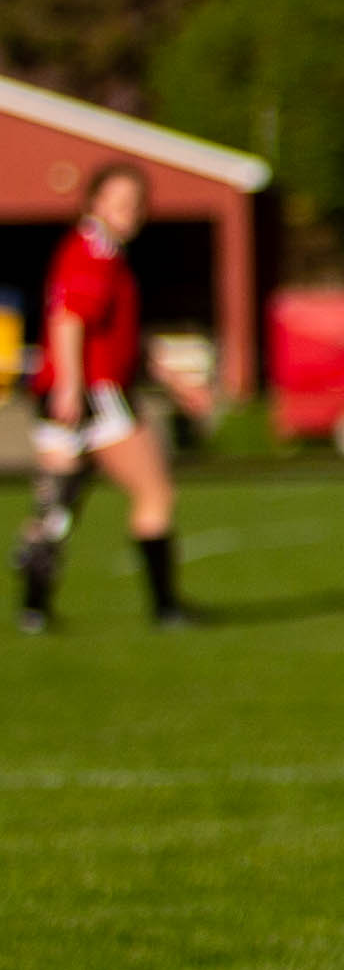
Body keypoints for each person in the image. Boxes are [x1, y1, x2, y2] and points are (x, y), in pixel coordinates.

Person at [17, 164, 216, 636]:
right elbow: (69, 318)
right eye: (120, 199)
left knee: (59, 505)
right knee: (154, 492)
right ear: (93, 202)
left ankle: (33, 612)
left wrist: (172, 381)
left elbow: (122, 337)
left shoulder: (99, 253)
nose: (131, 210)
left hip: (69, 392)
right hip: (94, 394)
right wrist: (70, 384)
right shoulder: (93, 251)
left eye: (137, 201)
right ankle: (166, 608)